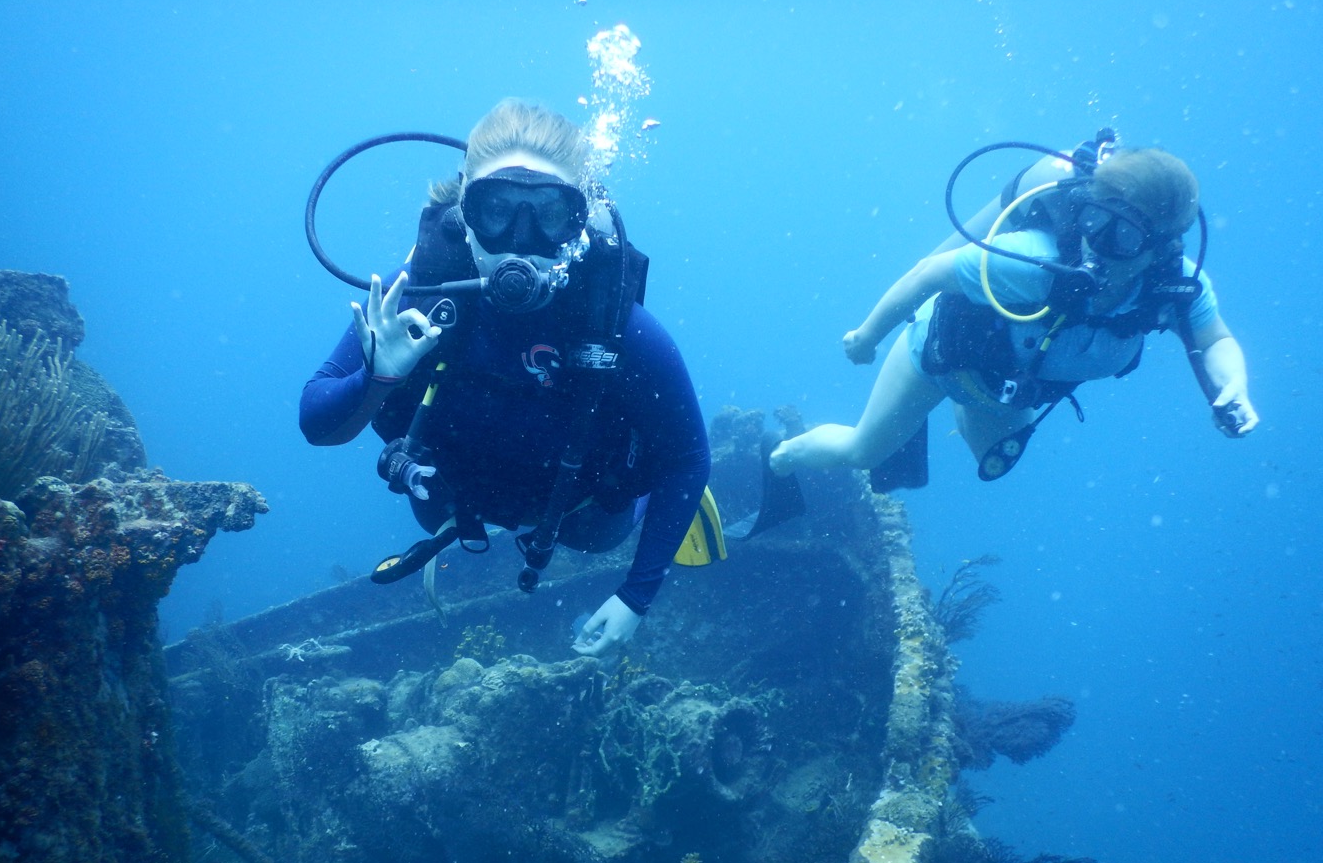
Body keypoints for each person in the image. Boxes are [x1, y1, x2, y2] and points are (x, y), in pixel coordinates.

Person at [299, 99, 711, 656]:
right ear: (464, 213)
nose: (520, 239)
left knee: (606, 529)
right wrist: (376, 378)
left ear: (580, 220)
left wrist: (636, 596)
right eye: (496, 210)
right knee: (430, 511)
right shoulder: (418, 295)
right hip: (452, 499)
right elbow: (316, 420)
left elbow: (687, 456)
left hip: (581, 512)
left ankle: (677, 511)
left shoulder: (614, 322)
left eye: (549, 214)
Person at [769, 145, 1258, 486]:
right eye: (1095, 221)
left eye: (1123, 236)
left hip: (1003, 387)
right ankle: (786, 454)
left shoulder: (1174, 292)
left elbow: (1215, 340)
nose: (1099, 246)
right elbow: (927, 274)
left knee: (991, 464)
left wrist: (1234, 385)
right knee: (862, 453)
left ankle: (966, 406)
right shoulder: (1032, 261)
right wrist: (866, 337)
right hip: (933, 358)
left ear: (1162, 247)